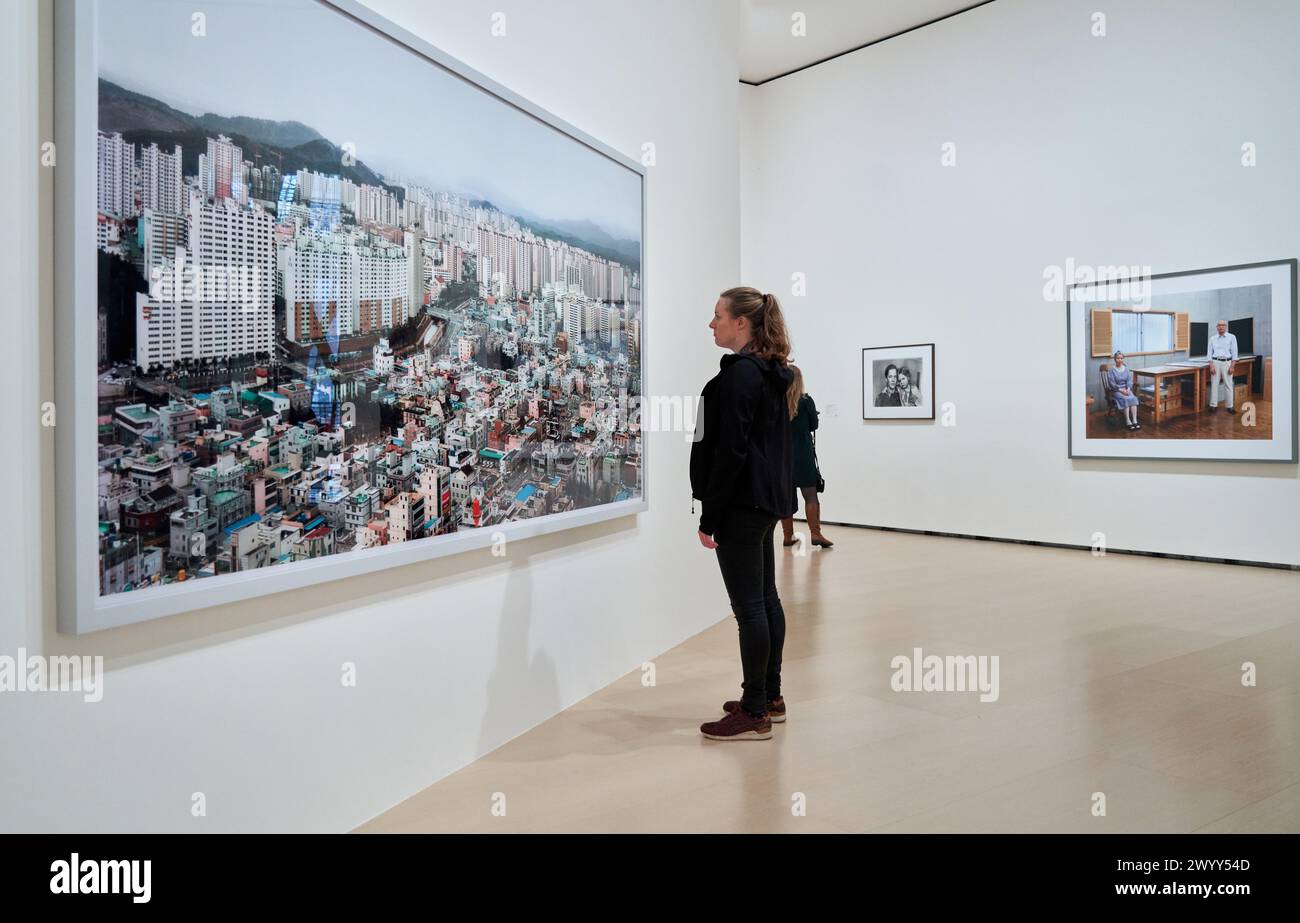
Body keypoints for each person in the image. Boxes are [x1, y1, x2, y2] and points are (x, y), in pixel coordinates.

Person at [690, 286, 796, 741]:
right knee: (767, 601)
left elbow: (729, 452)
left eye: (717, 316)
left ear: (741, 323)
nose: (711, 324)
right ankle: (769, 695)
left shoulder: (740, 377)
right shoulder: (774, 374)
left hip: (740, 505)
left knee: (749, 608)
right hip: (766, 501)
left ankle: (754, 711)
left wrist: (709, 514)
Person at [780, 365, 833, 549]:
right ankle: (816, 534)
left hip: (782, 454)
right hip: (803, 452)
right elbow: (814, 425)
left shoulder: (777, 401)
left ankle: (788, 536)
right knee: (810, 495)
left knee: (786, 496)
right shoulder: (806, 401)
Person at [1207, 319, 1239, 414]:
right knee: (1214, 384)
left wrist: (1232, 366)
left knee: (1228, 385)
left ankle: (1230, 406)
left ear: (1225, 327)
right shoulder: (1212, 338)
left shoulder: (1232, 337)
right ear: (1217, 327)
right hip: (1215, 362)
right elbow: (1209, 353)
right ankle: (1213, 405)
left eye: (1223, 325)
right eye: (1219, 325)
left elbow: (1234, 353)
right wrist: (1211, 366)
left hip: (1227, 363)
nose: (1221, 327)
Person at [1105, 351, 1141, 430]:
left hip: (1126, 389)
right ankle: (1128, 420)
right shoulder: (1112, 371)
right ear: (1115, 359)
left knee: (1133, 398)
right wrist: (1121, 390)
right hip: (1116, 390)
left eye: (1121, 358)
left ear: (1123, 359)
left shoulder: (1126, 369)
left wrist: (1128, 389)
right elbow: (1112, 384)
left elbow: (1129, 381)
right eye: (1118, 358)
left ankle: (1134, 420)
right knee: (1126, 399)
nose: (1120, 360)